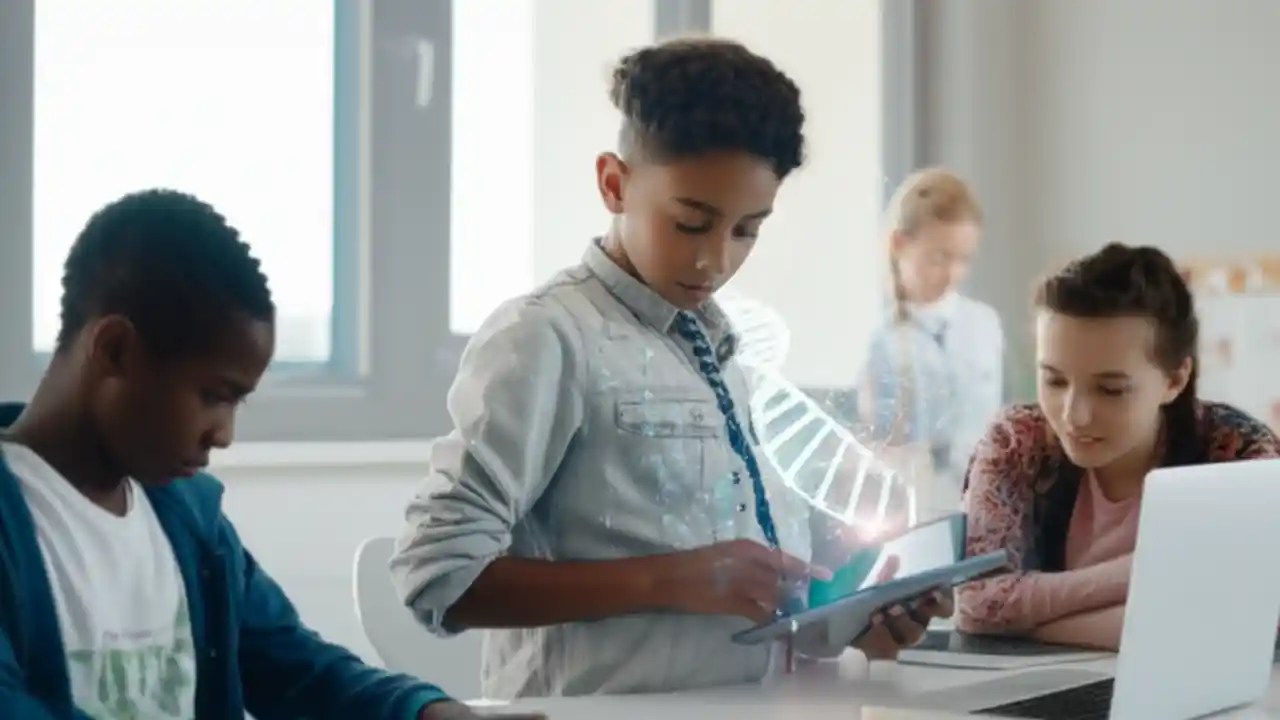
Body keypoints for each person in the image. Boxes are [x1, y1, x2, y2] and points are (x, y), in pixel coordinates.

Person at [389, 37, 951, 700]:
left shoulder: (718, 349)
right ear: (614, 183)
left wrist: (855, 626)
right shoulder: (545, 338)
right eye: (690, 223)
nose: (716, 261)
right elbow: (437, 577)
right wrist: (675, 581)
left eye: (748, 230)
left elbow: (731, 602)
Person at [0, 190, 535, 719]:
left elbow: (292, 665)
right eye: (213, 396)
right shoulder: (16, 518)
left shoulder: (190, 519)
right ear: (115, 349)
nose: (224, 434)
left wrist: (424, 714)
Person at [957, 243, 1280, 650]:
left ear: (1175, 380)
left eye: (1111, 390)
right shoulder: (1015, 440)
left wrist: (1033, 624)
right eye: (1054, 381)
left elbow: (1260, 614)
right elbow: (979, 603)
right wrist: (1148, 572)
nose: (1074, 415)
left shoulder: (1237, 450)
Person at [859, 168, 1004, 521]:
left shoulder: (985, 325)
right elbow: (877, 437)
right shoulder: (882, 340)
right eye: (939, 257)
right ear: (899, 245)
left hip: (983, 503)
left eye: (964, 259)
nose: (952, 273)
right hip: (913, 509)